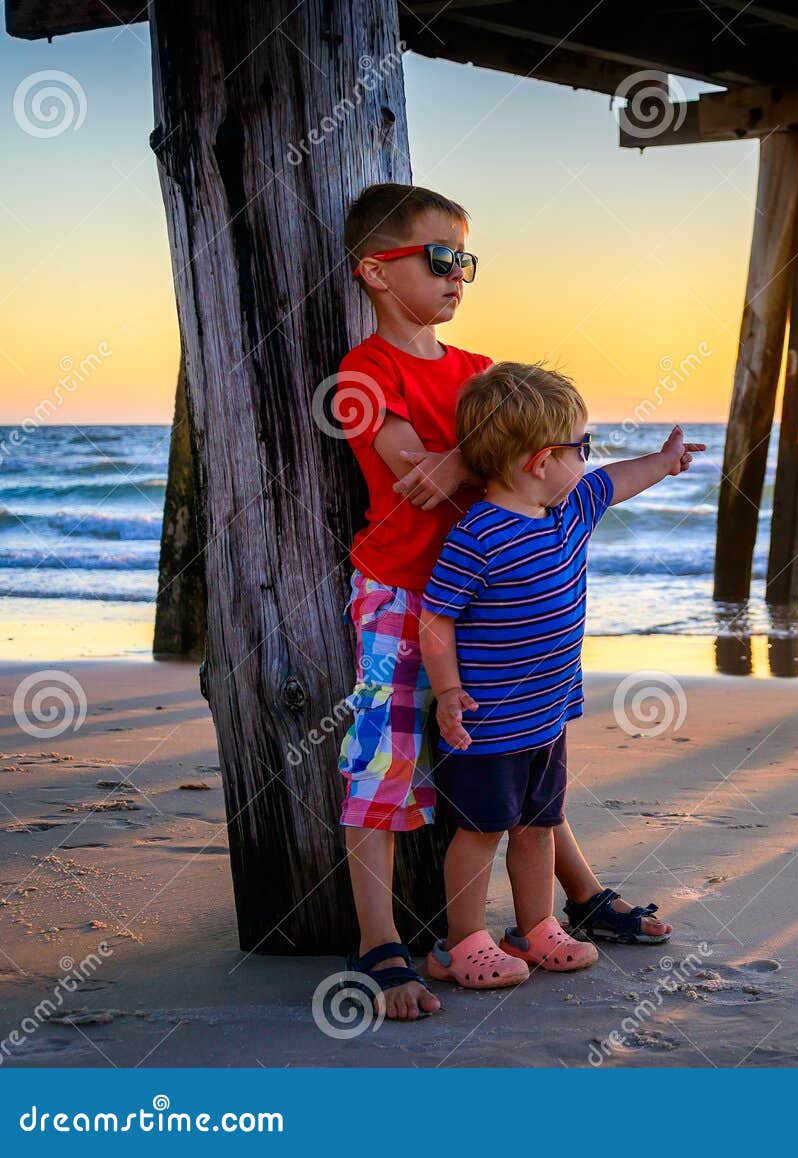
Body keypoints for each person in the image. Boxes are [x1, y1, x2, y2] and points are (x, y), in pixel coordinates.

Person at [335, 184, 672, 1017]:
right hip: (403, 595)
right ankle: (380, 940)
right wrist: (460, 457)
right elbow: (417, 474)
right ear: (376, 273)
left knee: (518, 752)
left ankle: (577, 896)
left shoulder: (479, 372)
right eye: (440, 258)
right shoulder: (364, 371)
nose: (458, 276)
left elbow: (535, 453)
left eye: (466, 262)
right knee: (384, 761)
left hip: (488, 606)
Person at [418, 362, 705, 986]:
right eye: (582, 446)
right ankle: (460, 942)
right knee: (481, 829)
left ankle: (536, 927)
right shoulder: (478, 537)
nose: (588, 459)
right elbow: (435, 617)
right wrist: (446, 691)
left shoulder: (570, 510)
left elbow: (615, 481)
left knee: (539, 824)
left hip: (548, 716)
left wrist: (665, 461)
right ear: (541, 460)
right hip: (486, 723)